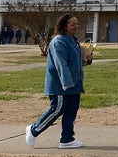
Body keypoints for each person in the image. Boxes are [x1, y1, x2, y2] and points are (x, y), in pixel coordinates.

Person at [26, 14, 92, 149]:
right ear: (64, 26)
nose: (76, 27)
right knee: (57, 108)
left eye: (77, 24)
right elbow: (61, 64)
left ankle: (67, 139)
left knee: (71, 111)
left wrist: (87, 60)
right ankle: (33, 130)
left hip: (75, 83)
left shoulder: (73, 40)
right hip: (61, 84)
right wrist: (67, 83)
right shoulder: (59, 41)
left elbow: (74, 63)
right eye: (72, 24)